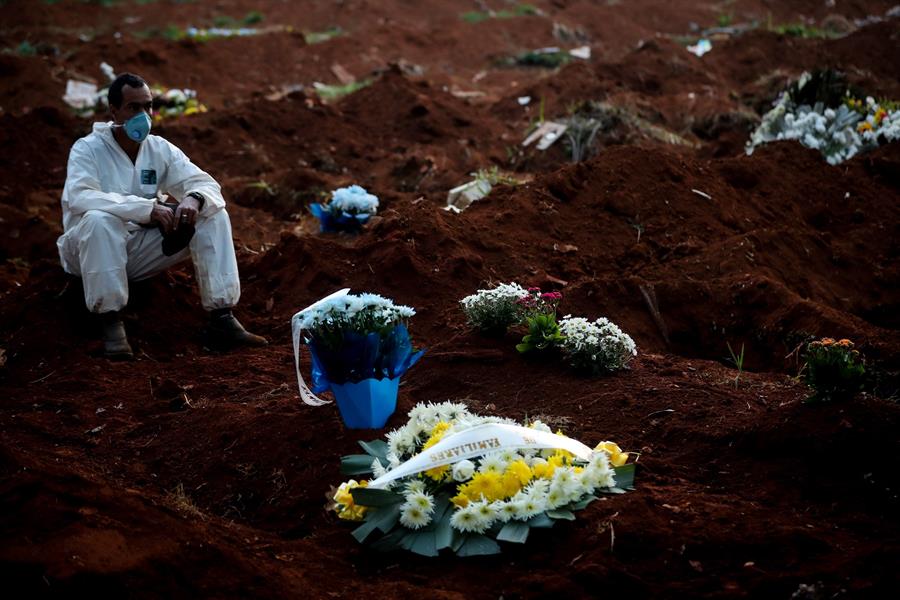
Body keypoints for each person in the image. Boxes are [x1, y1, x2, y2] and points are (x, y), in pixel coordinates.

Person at [57, 72, 267, 359]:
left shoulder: (159, 149)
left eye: (148, 106)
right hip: (88, 253)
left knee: (212, 212)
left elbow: (206, 184)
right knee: (99, 219)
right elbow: (80, 196)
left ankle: (222, 317)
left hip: (134, 254)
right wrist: (146, 209)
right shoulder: (88, 149)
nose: (143, 115)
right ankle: (110, 323)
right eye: (133, 107)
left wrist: (192, 200)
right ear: (114, 111)